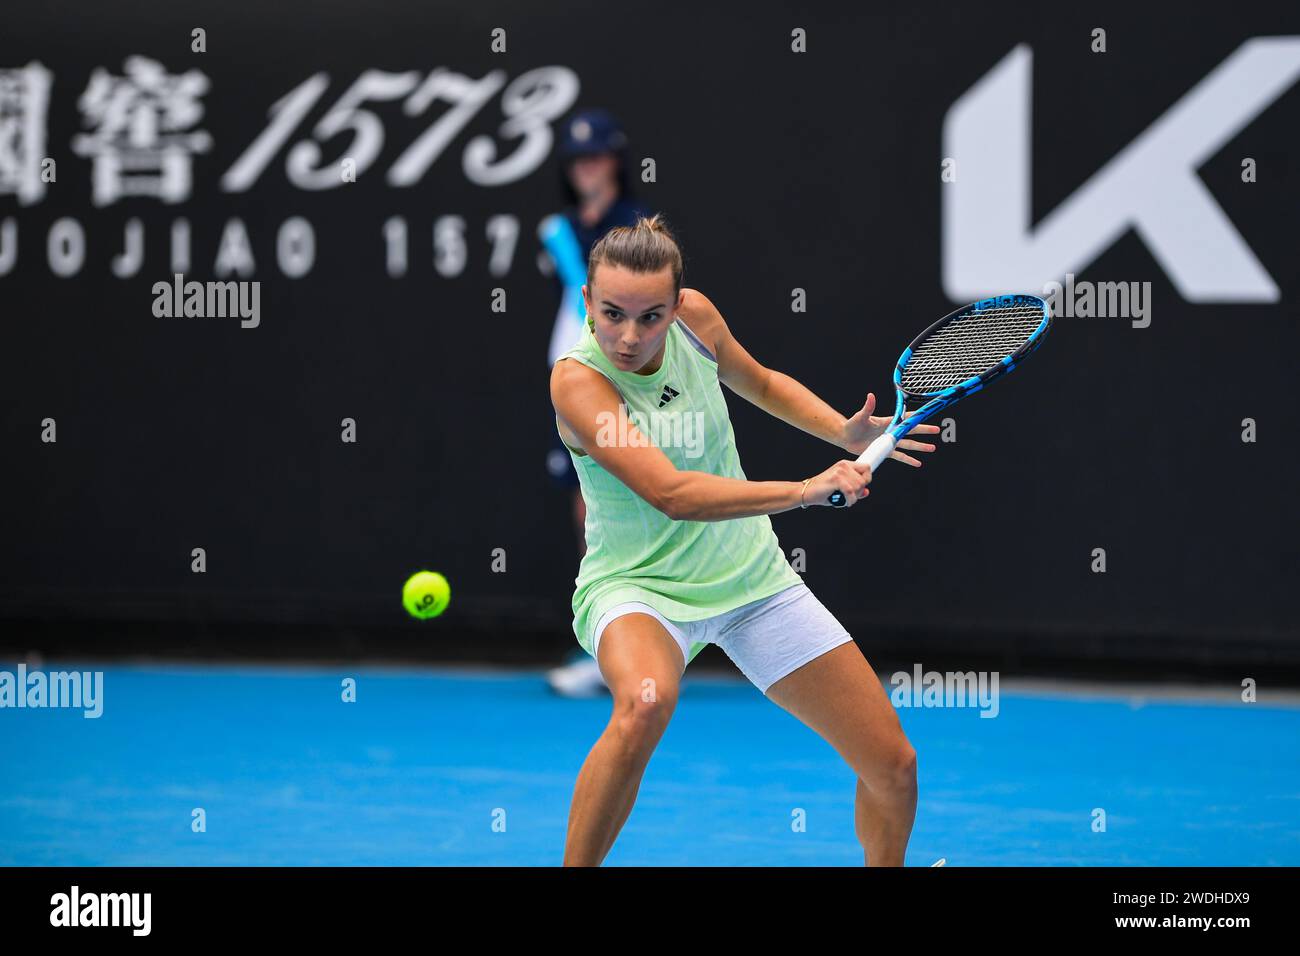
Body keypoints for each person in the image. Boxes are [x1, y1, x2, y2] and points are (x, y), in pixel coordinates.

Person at [549, 214, 941, 865]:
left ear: (677, 307)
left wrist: (844, 434)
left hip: (751, 581)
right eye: (612, 313)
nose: (628, 335)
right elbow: (671, 493)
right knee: (645, 705)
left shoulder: (697, 322)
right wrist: (804, 490)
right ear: (587, 302)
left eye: (651, 317)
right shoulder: (578, 383)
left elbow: (757, 381)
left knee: (894, 766)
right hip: (639, 590)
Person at [543, 109, 650, 698]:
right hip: (573, 382)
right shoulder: (562, 225)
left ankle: (623, 646)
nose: (588, 168)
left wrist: (564, 247)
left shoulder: (634, 227)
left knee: (614, 508)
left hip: (619, 382)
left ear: (615, 162)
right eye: (578, 159)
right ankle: (607, 643)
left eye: (598, 156)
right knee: (587, 510)